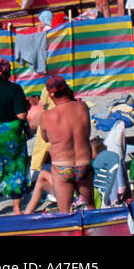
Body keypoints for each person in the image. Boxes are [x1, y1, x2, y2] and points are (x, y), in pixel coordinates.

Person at [0, 58, 30, 216]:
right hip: (11, 131)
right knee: (16, 166)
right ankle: (16, 208)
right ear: (9, 72)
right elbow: (21, 115)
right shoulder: (15, 89)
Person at [39, 76, 94, 212]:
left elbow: (46, 138)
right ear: (67, 89)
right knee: (92, 207)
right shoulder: (82, 107)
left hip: (62, 166)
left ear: (51, 95)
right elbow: (87, 132)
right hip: (83, 165)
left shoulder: (46, 116)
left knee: (64, 213)